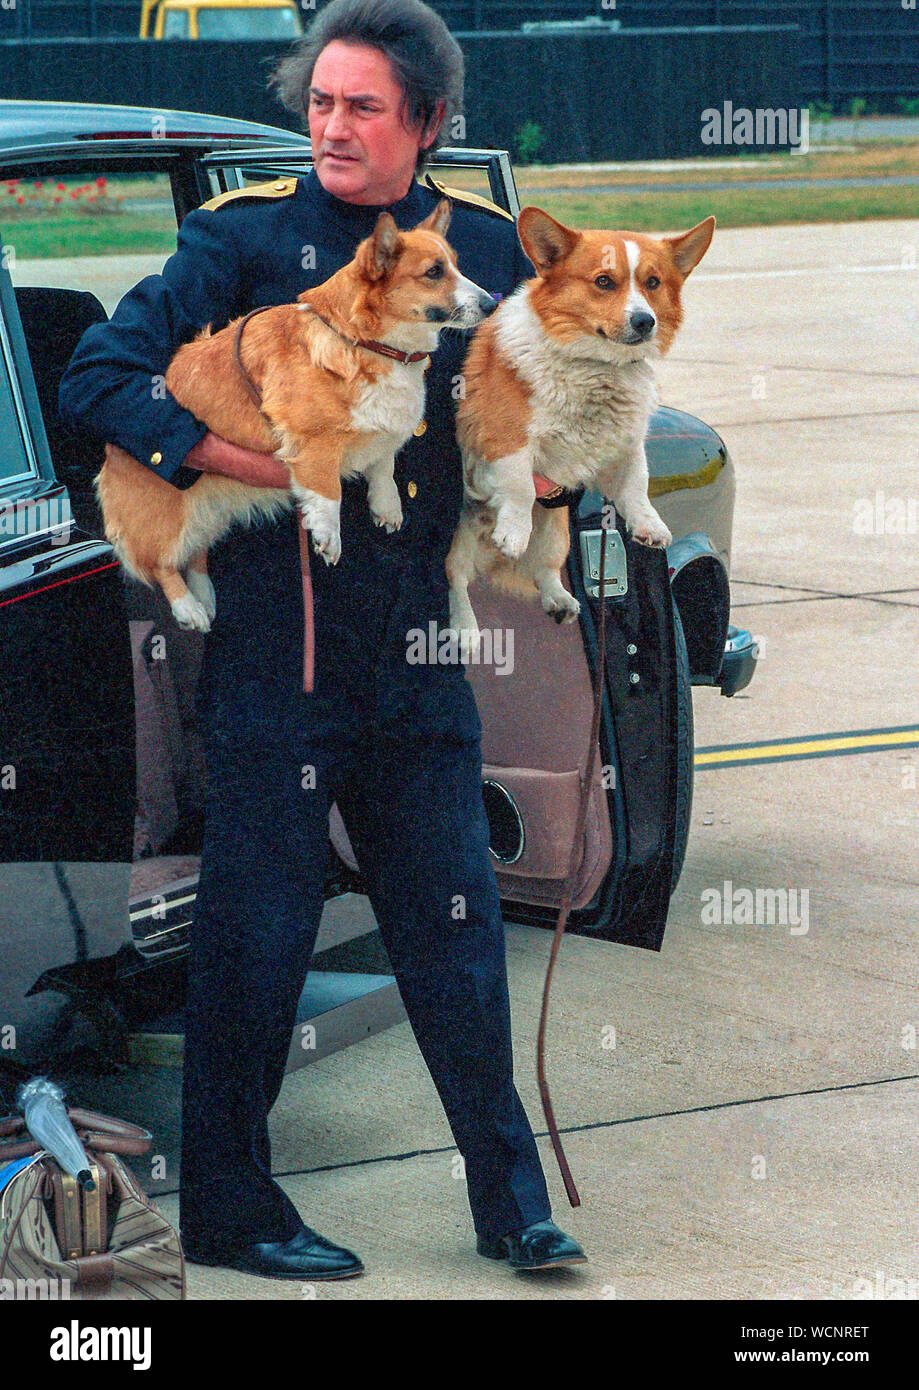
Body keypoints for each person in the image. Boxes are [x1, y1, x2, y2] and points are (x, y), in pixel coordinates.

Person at [59, 0, 586, 1280]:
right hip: (276, 664)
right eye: (320, 103)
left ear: (427, 124)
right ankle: (234, 1210)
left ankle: (509, 1203)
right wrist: (249, 457)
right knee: (257, 935)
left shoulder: (484, 259)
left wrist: (555, 477)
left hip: (416, 660)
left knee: (456, 932)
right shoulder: (239, 240)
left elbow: (543, 403)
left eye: (363, 106)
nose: (334, 127)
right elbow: (97, 377)